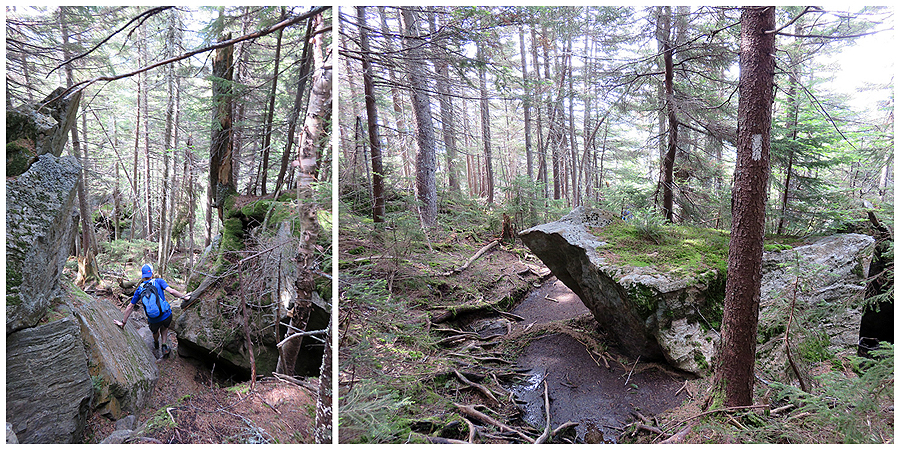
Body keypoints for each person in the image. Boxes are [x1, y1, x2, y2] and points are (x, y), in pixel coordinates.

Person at [115, 264, 190, 359]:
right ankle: (164, 344)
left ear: (143, 276)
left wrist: (123, 323)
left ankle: (156, 342)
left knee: (155, 331)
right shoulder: (159, 281)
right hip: (166, 315)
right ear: (152, 273)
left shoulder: (140, 289)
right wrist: (184, 297)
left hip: (153, 319)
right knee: (165, 327)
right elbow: (171, 291)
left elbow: (130, 306)